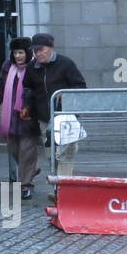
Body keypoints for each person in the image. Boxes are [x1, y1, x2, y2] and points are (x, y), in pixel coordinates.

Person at [25, 32, 87, 203]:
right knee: (52, 155)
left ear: (51, 48)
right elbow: (28, 90)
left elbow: (81, 86)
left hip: (66, 118)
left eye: (41, 50)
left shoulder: (66, 64)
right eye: (35, 51)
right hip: (45, 118)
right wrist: (27, 107)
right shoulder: (32, 69)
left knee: (66, 153)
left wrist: (65, 95)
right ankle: (60, 186)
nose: (38, 54)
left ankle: (62, 192)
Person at [0, 37, 38, 200]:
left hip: (29, 117)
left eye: (21, 52)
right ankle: (31, 170)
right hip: (11, 117)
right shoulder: (8, 67)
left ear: (28, 52)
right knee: (14, 150)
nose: (18, 56)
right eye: (15, 53)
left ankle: (26, 186)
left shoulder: (35, 68)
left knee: (27, 152)